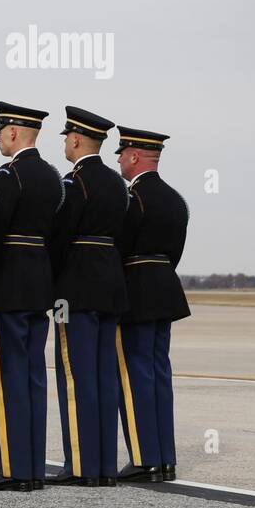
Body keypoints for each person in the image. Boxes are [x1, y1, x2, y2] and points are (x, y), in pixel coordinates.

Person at [0, 102, 62, 492]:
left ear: (14, 132)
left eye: (0, 131)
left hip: (9, 284)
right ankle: (32, 466)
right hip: (39, 282)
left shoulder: (8, 174)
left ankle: (13, 469)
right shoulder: (52, 176)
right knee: (33, 376)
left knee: (7, 377)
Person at [48, 106, 129, 487]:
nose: (65, 142)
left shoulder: (72, 183)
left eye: (67, 137)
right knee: (104, 378)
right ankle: (106, 466)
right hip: (111, 284)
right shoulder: (117, 183)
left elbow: (59, 238)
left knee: (76, 377)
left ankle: (81, 465)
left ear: (77, 139)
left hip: (75, 289)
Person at [114, 126, 189, 483]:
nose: (117, 159)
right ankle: (165, 457)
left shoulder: (133, 198)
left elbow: (121, 246)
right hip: (165, 287)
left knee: (135, 373)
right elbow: (175, 252)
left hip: (138, 290)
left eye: (121, 153)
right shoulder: (175, 198)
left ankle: (144, 458)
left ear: (134, 157)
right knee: (160, 372)